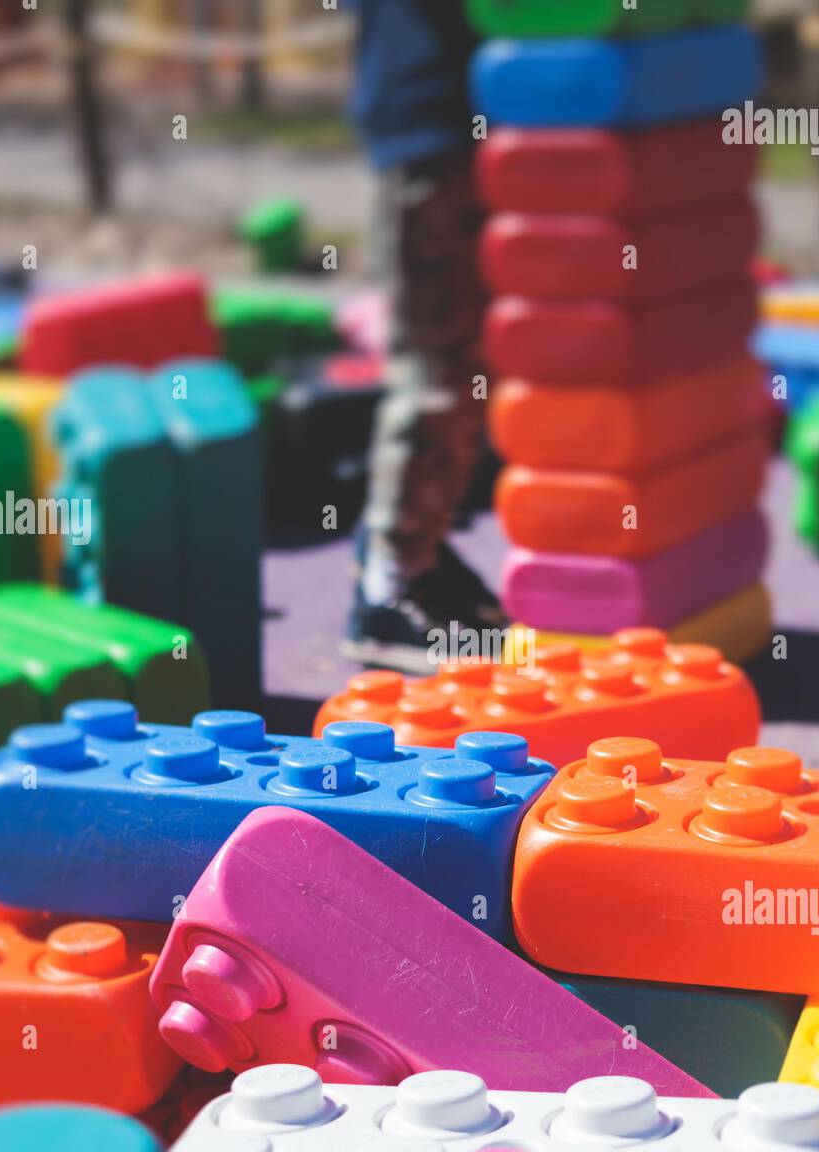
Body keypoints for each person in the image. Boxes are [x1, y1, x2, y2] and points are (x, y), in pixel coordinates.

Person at [343, 0, 506, 673]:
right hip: (430, 130)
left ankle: (419, 550)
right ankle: (388, 584)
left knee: (475, 364)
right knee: (439, 370)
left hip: (478, 127)